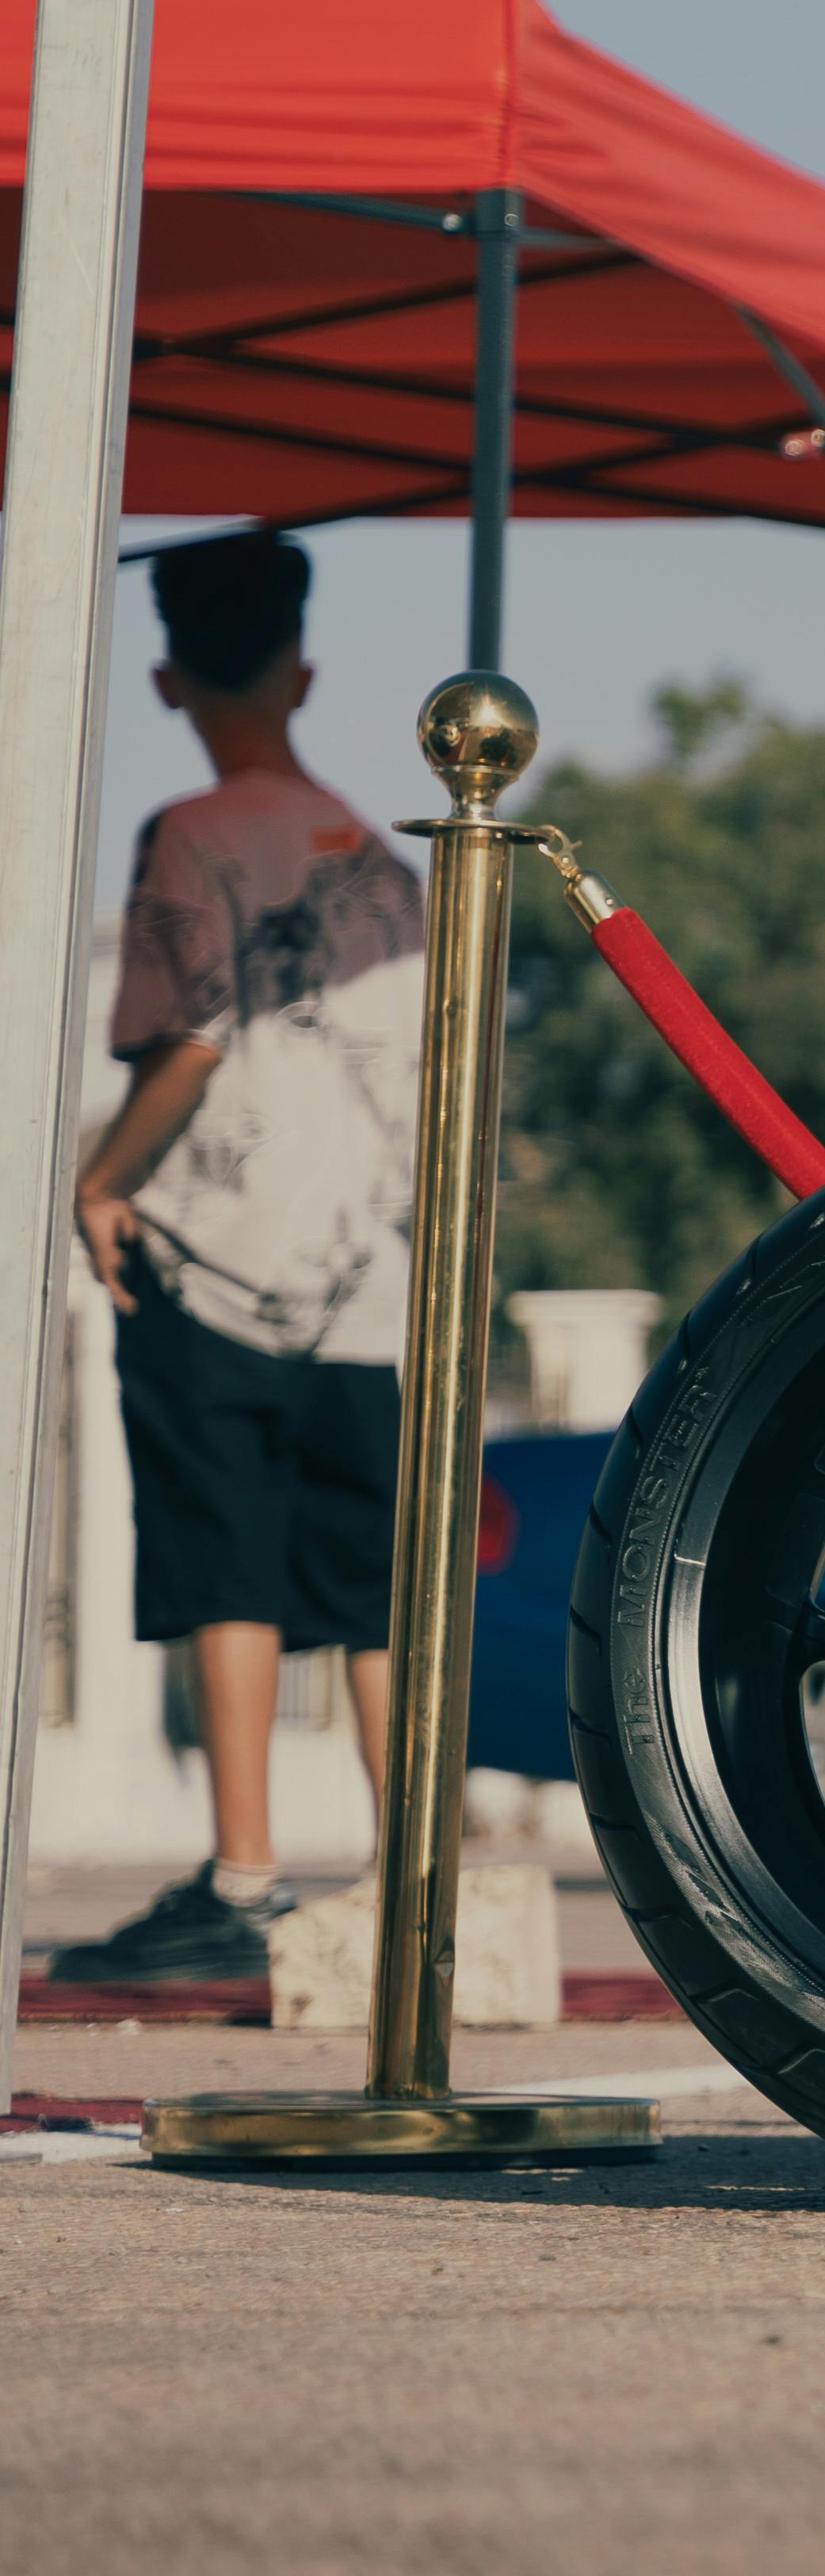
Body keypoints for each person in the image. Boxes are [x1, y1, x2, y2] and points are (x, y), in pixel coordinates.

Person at [40, 533, 426, 1986]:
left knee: (229, 1565)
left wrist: (100, 1177)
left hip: (213, 1261)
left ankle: (247, 1872)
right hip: (373, 1284)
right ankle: (409, 1875)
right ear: (305, 665)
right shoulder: (392, 866)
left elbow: (189, 1034)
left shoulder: (191, 834)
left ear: (166, 675)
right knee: (374, 1583)